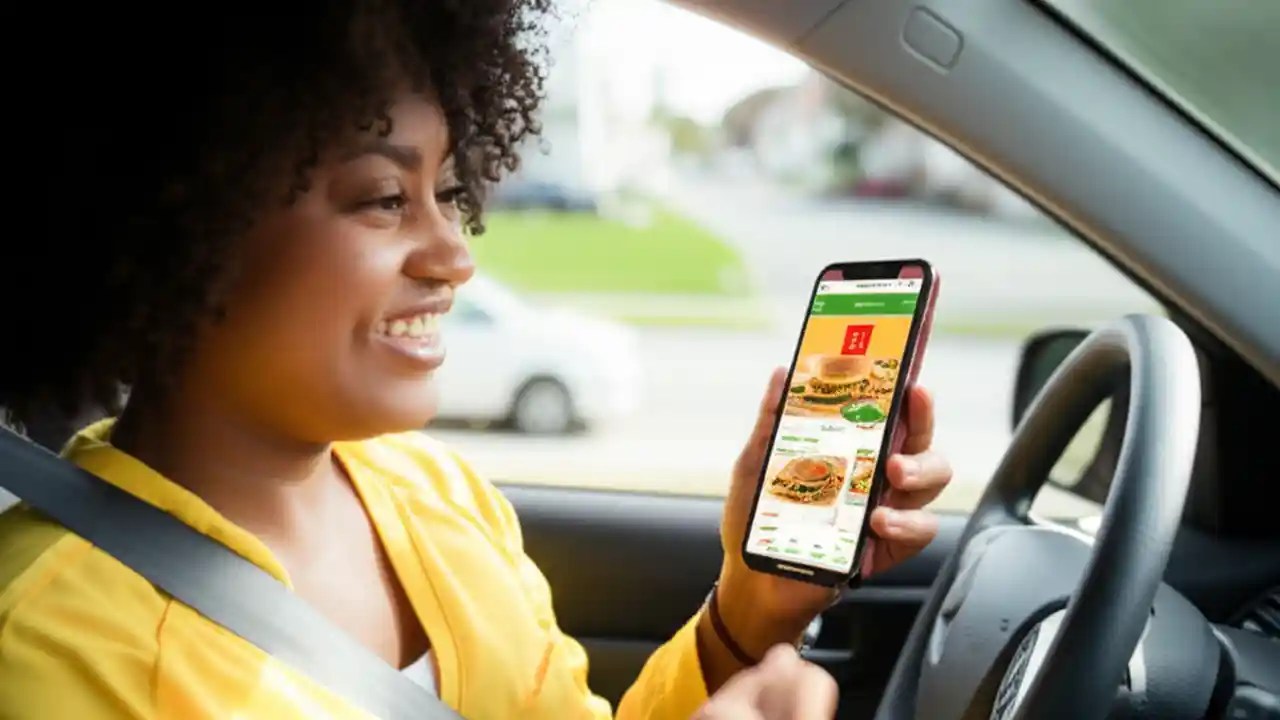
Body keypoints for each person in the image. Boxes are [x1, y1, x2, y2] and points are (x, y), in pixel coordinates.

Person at [0, 2, 953, 718]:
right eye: (382, 200)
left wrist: (749, 612)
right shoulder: (47, 645)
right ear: (179, 229)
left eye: (450, 191)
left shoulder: (439, 497)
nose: (455, 256)